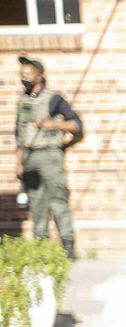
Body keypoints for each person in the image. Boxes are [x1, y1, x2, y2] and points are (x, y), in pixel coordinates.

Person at [14, 55, 82, 259]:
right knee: (36, 203)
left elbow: (77, 126)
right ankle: (41, 248)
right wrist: (18, 162)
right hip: (30, 157)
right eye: (22, 73)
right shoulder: (22, 101)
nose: (23, 77)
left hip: (51, 155)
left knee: (58, 200)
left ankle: (68, 247)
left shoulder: (54, 100)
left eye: (28, 73)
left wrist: (52, 125)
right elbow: (19, 134)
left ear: (39, 76)